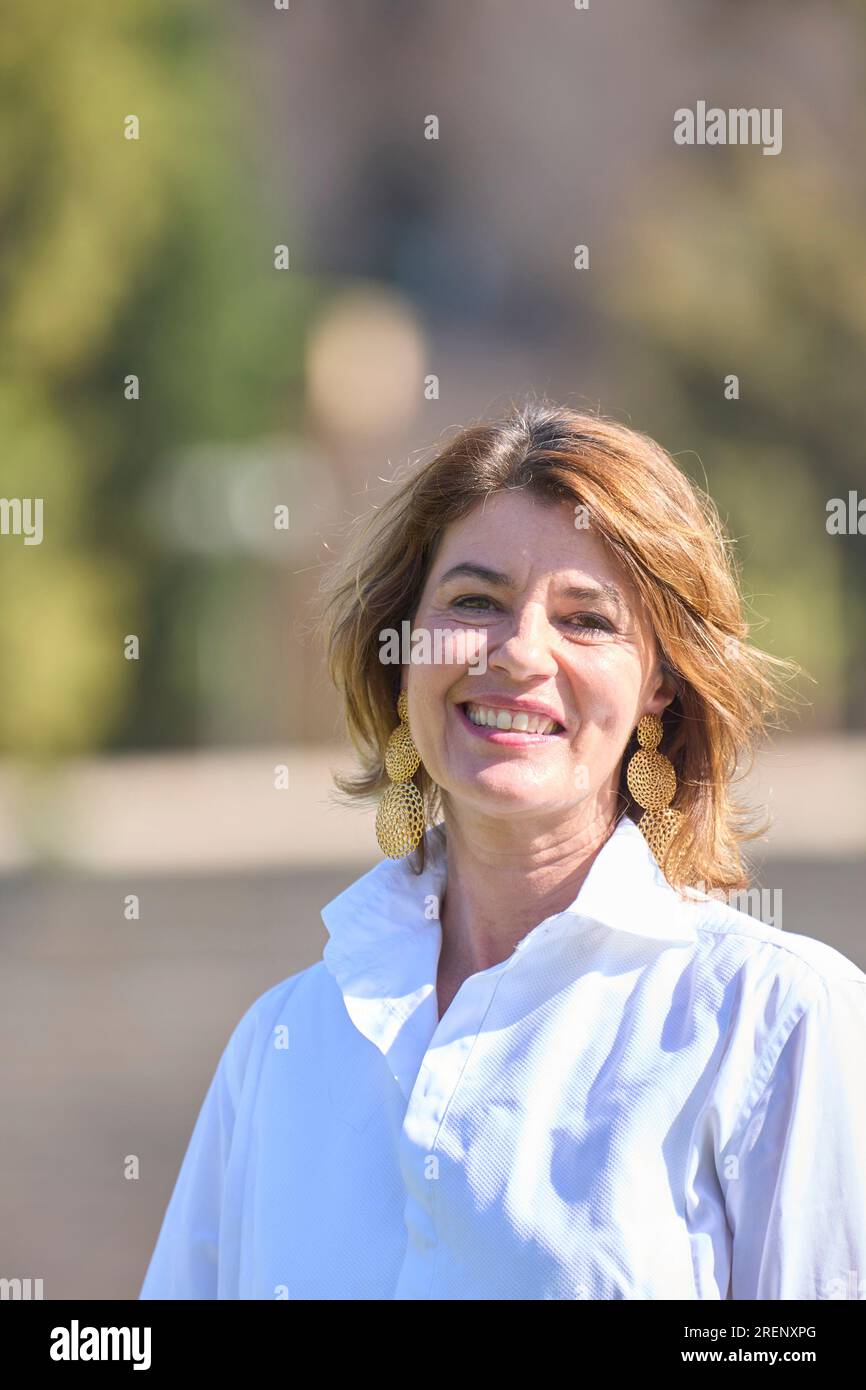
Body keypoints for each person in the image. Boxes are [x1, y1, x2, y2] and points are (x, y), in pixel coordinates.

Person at [139, 400, 866, 1300]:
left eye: (587, 619)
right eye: (475, 601)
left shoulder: (780, 1021)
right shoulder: (281, 1045)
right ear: (402, 649)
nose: (520, 652)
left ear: (662, 687)